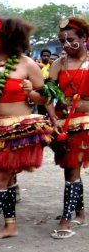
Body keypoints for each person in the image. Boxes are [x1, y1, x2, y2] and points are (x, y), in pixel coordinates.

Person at [0, 19, 52, 248]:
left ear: (6, 38)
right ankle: (10, 225)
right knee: (4, 179)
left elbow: (45, 98)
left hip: (18, 129)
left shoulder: (27, 64)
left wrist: (31, 92)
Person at [42, 17, 89, 238]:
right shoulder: (57, 64)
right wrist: (51, 116)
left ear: (84, 38)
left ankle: (66, 218)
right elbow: (47, 96)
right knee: (70, 168)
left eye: (71, 40)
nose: (66, 45)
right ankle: (80, 212)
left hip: (85, 123)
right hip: (62, 123)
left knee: (72, 167)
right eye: (62, 41)